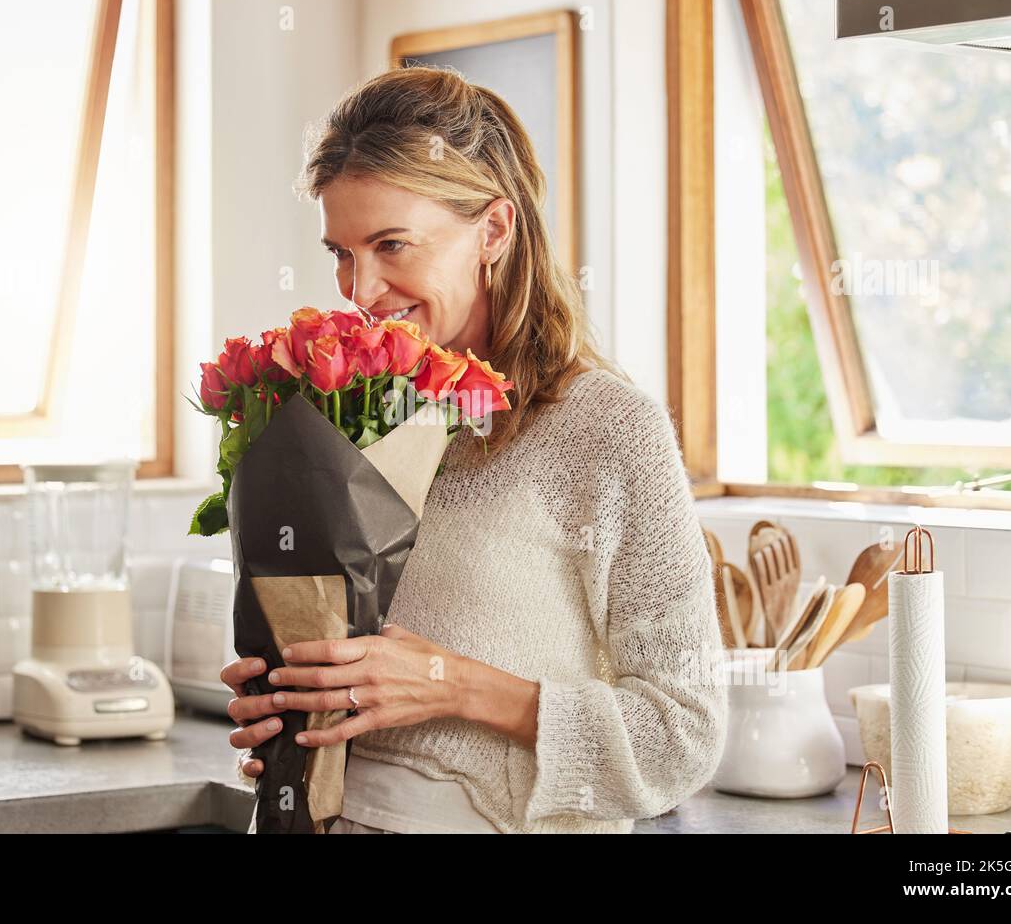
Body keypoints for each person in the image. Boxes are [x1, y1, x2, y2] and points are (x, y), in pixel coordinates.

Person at [220, 65, 726, 833]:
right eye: (341, 252)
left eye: (392, 245)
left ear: (493, 230)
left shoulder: (607, 430)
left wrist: (450, 684)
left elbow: (681, 736)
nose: (359, 290)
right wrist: (289, 715)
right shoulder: (349, 416)